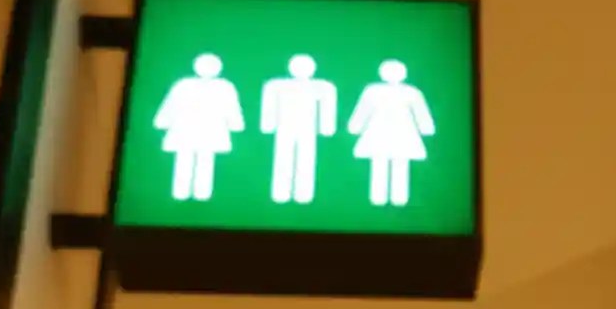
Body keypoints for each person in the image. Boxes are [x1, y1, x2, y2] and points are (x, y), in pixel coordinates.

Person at [153, 53, 245, 201]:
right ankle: (183, 192)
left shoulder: (223, 87)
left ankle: (200, 192)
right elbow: (171, 104)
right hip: (188, 129)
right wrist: (163, 119)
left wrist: (235, 123)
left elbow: (232, 108)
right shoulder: (184, 85)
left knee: (204, 161)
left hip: (207, 130)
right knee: (187, 160)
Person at [347, 60, 435, 207]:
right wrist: (426, 128)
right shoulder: (377, 91)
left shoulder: (408, 92)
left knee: (393, 164)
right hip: (388, 133)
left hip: (395, 133)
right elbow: (363, 109)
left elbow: (420, 111)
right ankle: (384, 198)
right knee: (383, 164)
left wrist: (355, 127)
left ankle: (391, 198)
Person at [260, 55, 337, 204]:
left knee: (306, 159)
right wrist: (268, 124)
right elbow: (270, 106)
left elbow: (327, 108)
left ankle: (303, 194)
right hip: (286, 127)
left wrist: (326, 127)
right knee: (284, 158)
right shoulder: (276, 85)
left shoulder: (322, 87)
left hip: (307, 128)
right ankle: (281, 193)